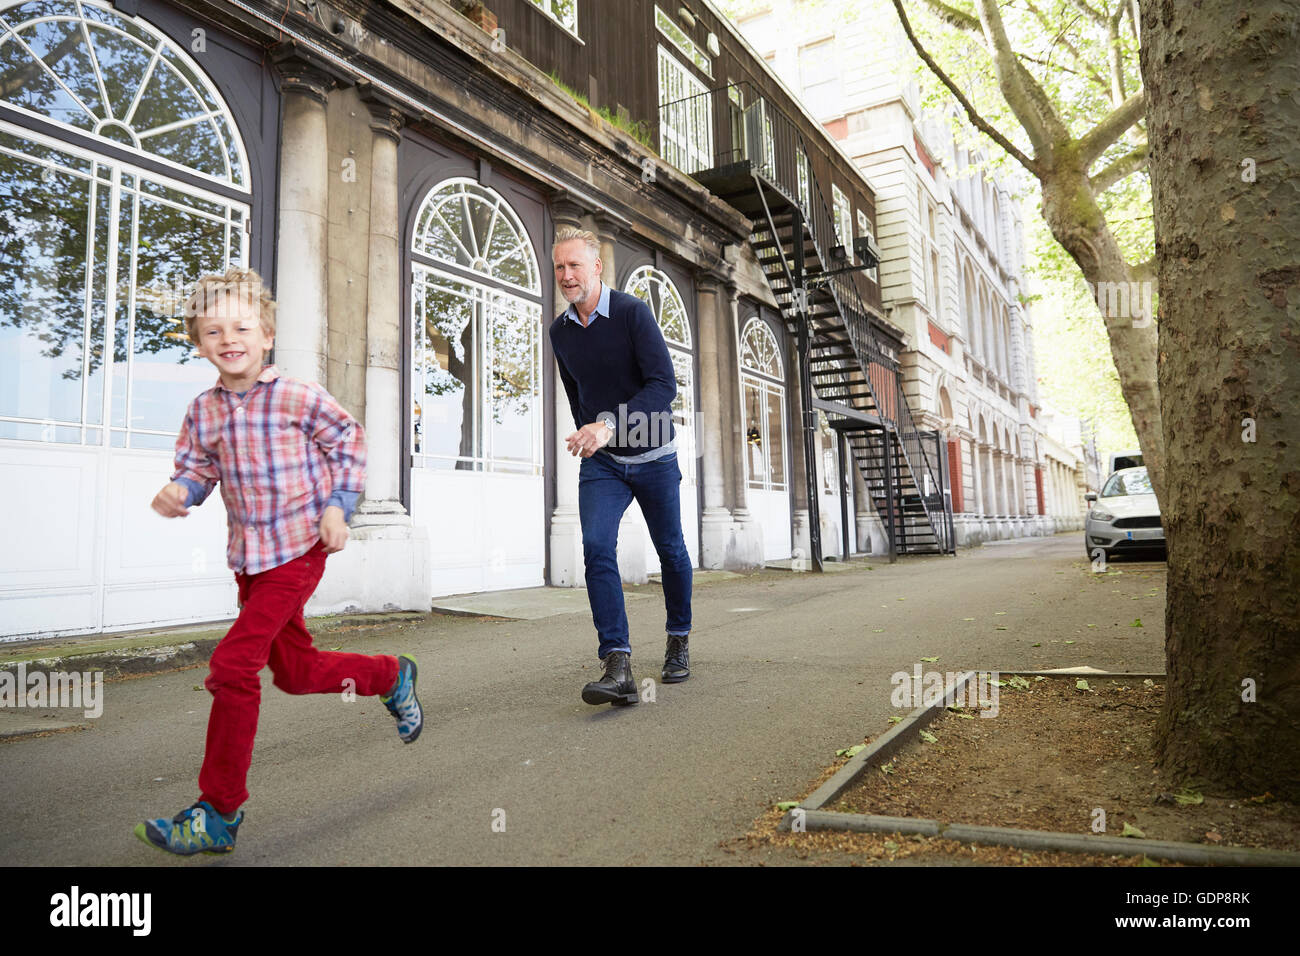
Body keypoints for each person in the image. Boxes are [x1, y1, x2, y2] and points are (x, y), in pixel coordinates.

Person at [135, 267, 423, 856]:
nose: (229, 338)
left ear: (267, 334)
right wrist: (180, 493)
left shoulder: (296, 395)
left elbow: (348, 441)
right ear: (199, 343)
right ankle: (391, 675)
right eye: (213, 331)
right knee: (293, 672)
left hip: (298, 548)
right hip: (251, 558)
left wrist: (339, 509)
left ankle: (218, 811)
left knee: (233, 667)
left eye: (242, 326)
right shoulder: (203, 411)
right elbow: (197, 469)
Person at [549, 227, 693, 707]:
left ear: (596, 268)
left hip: (653, 455)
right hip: (604, 463)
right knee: (595, 546)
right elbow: (577, 395)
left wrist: (607, 425)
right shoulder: (560, 332)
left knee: (670, 550)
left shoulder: (632, 313)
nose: (566, 275)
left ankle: (677, 639)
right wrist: (590, 435)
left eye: (574, 265)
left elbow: (662, 387)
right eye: (559, 268)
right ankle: (618, 663)